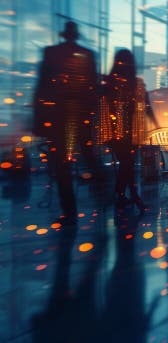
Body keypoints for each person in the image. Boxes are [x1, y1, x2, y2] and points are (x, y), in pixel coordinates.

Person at [32, 21, 99, 225]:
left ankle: (69, 211)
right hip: (80, 118)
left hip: (59, 118)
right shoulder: (87, 56)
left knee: (62, 166)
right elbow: (92, 89)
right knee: (89, 159)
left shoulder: (51, 53)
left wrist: (40, 121)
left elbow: (42, 87)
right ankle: (103, 197)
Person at [101, 49, 159, 211]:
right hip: (131, 132)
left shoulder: (110, 84)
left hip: (115, 132)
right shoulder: (136, 84)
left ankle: (122, 195)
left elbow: (104, 108)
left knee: (126, 164)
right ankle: (131, 195)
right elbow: (145, 106)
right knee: (128, 163)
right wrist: (154, 122)